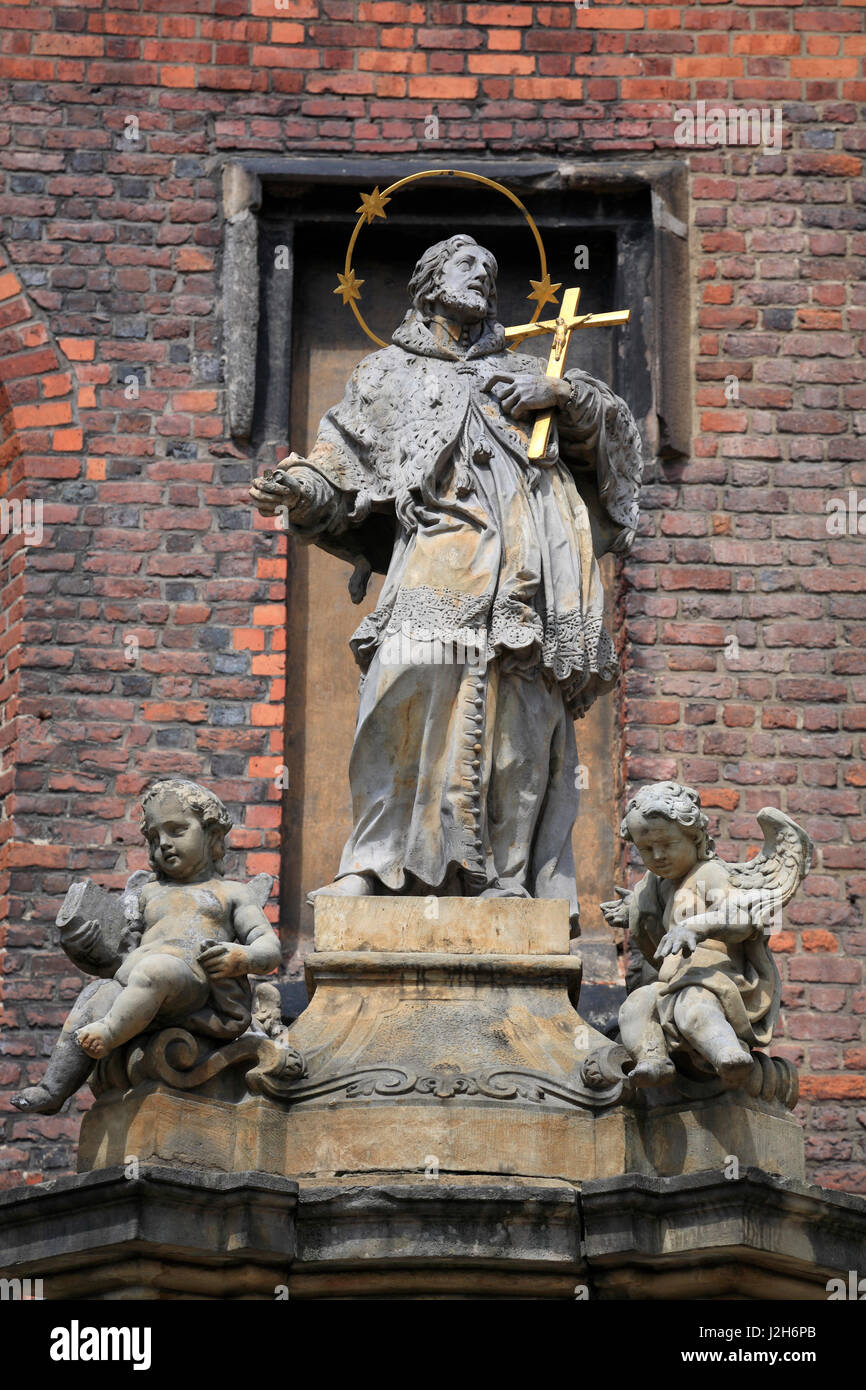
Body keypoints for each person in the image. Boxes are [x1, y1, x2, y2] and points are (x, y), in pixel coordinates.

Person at [251, 235, 643, 928]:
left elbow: (612, 440)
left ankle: (510, 881)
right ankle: (374, 866)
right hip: (442, 551)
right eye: (467, 266)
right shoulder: (387, 373)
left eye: (492, 272)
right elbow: (338, 462)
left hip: (531, 567)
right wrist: (299, 488)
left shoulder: (527, 365)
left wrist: (565, 394)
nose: (484, 278)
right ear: (428, 284)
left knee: (521, 724)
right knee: (400, 687)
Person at [11, 779, 281, 1114]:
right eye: (154, 837)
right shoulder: (146, 893)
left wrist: (241, 956)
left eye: (177, 830)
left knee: (156, 971)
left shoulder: (231, 893)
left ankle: (109, 1032)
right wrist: (86, 948)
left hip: (195, 984)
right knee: (94, 996)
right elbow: (119, 955)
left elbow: (269, 946)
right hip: (138, 983)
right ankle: (54, 1089)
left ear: (211, 834)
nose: (164, 844)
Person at [601, 782, 778, 1087]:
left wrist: (697, 926)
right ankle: (653, 1060)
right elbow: (655, 919)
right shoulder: (657, 885)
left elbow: (743, 918)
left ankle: (727, 1053)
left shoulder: (709, 874)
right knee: (635, 1007)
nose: (657, 855)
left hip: (714, 978)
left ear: (695, 838)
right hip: (671, 981)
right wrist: (631, 911)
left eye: (667, 844)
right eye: (646, 849)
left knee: (694, 1009)